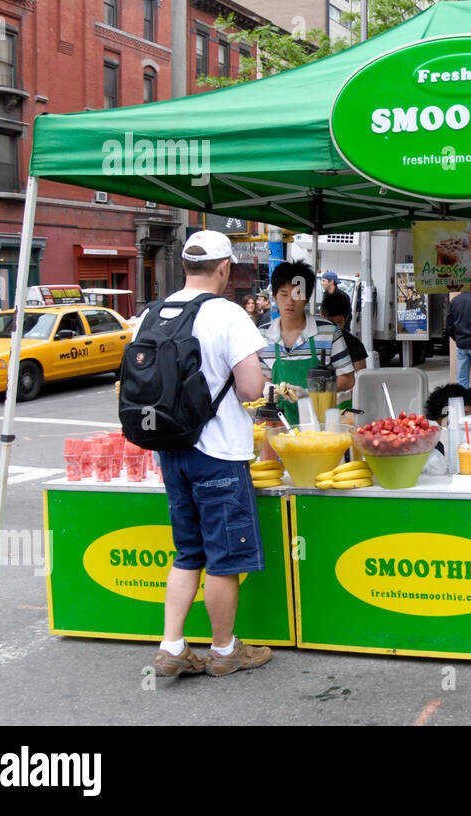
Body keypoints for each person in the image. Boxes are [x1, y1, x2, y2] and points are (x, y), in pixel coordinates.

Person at [142, 231, 271, 677]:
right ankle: (223, 650)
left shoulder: (153, 313)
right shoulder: (229, 315)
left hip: (171, 449)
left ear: (184, 266)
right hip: (218, 453)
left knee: (187, 551)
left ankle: (172, 646)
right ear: (224, 268)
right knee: (224, 556)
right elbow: (252, 389)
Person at [257, 261, 356, 423]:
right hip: (278, 426)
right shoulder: (262, 335)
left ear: (307, 298)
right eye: (283, 294)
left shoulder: (328, 332)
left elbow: (348, 378)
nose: (290, 301)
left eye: (297, 294)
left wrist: (311, 392)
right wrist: (268, 388)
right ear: (274, 297)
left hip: (320, 426)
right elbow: (262, 378)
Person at [320, 289, 368, 373]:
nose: (334, 328)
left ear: (346, 318)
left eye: (339, 322)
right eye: (330, 322)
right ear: (321, 315)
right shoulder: (312, 339)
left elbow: (361, 377)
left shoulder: (354, 344)